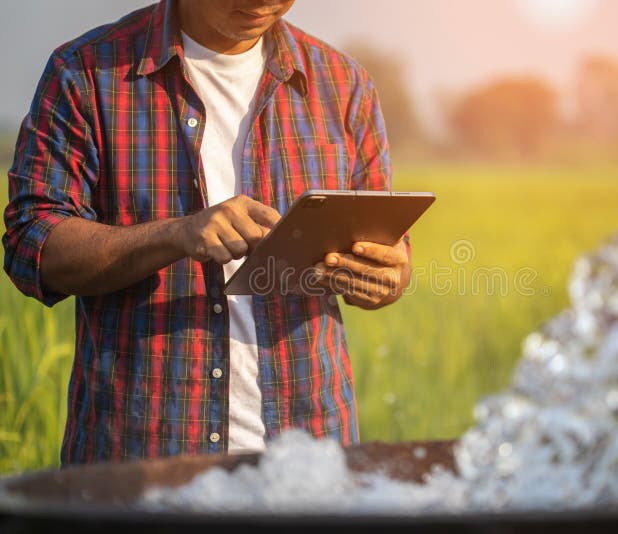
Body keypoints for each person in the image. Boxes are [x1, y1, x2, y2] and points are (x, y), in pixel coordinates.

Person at [2, 0, 411, 465]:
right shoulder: (86, 73)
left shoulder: (343, 84)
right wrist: (176, 235)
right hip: (143, 466)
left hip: (311, 462)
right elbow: (31, 244)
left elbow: (389, 253)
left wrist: (386, 277)